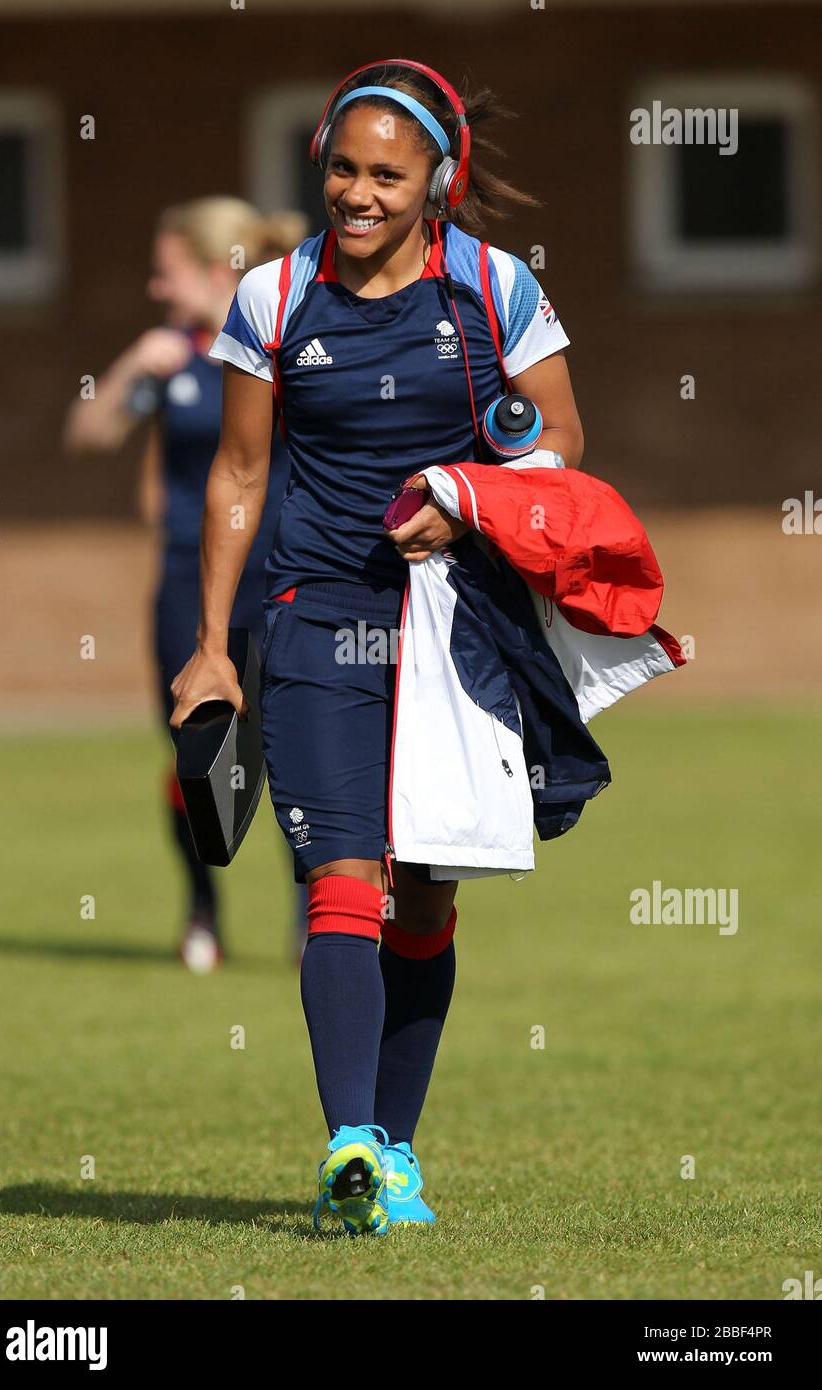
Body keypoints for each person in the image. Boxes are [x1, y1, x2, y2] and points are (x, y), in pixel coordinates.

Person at [169, 61, 584, 1231]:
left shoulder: (493, 290)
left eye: (384, 175)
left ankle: (393, 1150)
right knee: (339, 876)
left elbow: (558, 429)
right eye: (342, 168)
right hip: (310, 618)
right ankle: (349, 1142)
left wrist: (467, 491)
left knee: (424, 898)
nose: (356, 193)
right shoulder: (272, 295)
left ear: (435, 182)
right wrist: (212, 645)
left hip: (456, 624)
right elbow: (240, 472)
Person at [64, 197, 308, 972]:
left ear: (211, 270)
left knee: (294, 751)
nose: (155, 288)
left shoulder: (279, 347)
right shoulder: (170, 358)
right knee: (200, 755)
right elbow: (87, 435)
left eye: (164, 272)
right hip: (185, 580)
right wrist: (136, 363)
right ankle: (202, 915)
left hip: (282, 576)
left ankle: (313, 921)